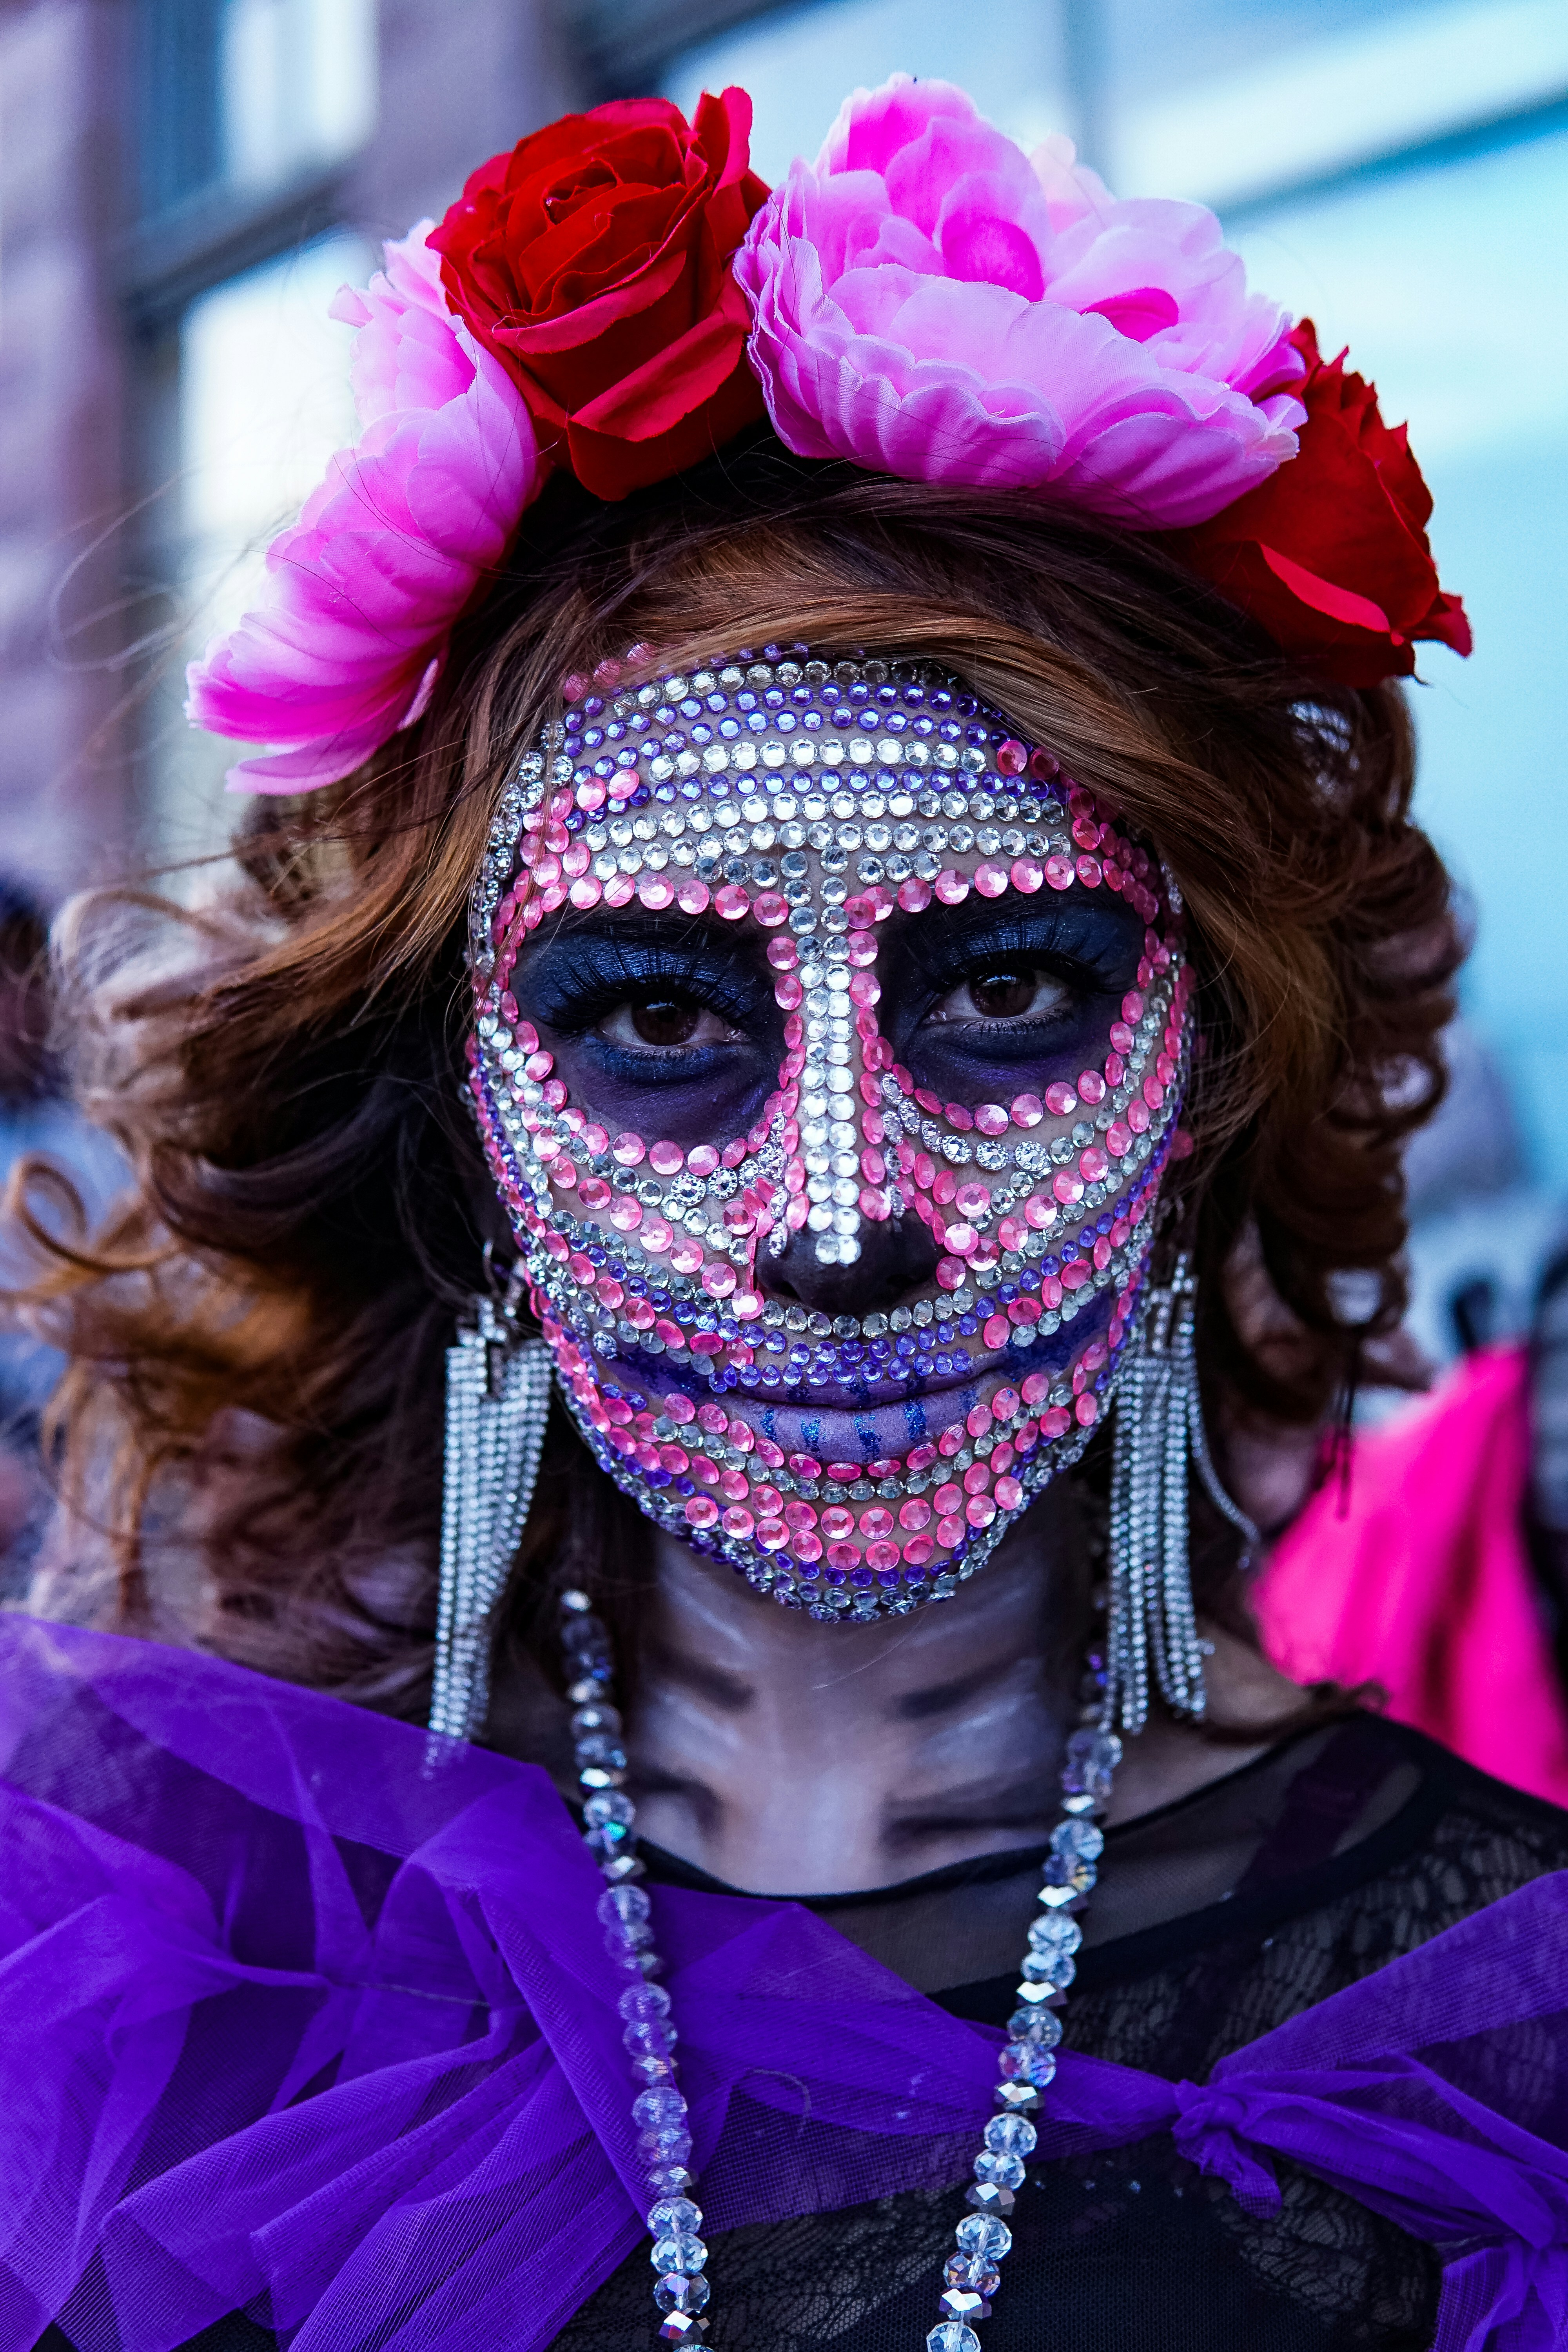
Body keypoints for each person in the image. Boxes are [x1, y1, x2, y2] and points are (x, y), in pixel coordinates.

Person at [5, 75, 1565, 2352]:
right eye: (657, 1019)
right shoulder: (143, 1941)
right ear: (456, 1116)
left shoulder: (1486, 2020)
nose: (849, 1217)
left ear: (1211, 1080)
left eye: (1009, 991)